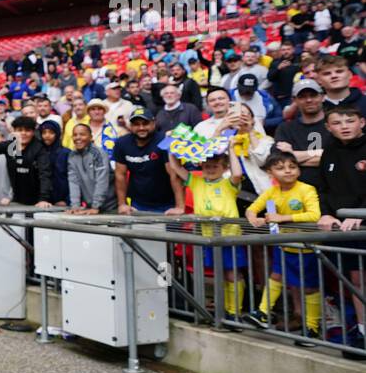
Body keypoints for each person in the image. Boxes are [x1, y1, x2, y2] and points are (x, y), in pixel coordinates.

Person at [244, 150, 322, 341]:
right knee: (276, 276)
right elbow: (252, 208)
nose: (288, 171)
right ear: (270, 174)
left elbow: (314, 215)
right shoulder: (271, 192)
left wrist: (282, 218)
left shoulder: (306, 189)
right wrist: (253, 217)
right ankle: (263, 313)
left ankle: (312, 327)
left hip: (306, 247)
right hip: (284, 245)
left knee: (310, 288)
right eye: (280, 168)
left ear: (299, 170)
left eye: (292, 167)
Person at [166, 143, 246, 317]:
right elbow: (176, 167)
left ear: (224, 167)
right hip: (208, 236)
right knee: (220, 274)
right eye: (207, 166)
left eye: (215, 166)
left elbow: (238, 173)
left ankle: (235, 312)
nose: (210, 169)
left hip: (230, 235)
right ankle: (224, 309)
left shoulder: (228, 184)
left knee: (232, 274)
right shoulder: (196, 181)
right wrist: (171, 147)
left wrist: (231, 149)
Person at [318, 105, 366, 358]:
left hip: (361, 224)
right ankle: (362, 331)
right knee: (356, 281)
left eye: (350, 120)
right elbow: (324, 188)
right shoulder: (330, 152)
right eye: (337, 122)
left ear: (362, 122)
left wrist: (359, 213)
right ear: (329, 127)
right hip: (344, 228)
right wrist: (326, 213)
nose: (344, 126)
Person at [112, 108, 183, 214]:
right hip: (136, 204)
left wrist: (179, 206)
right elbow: (120, 175)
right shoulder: (121, 143)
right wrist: (122, 204)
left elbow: (174, 174)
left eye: (145, 123)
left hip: (167, 204)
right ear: (131, 126)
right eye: (136, 124)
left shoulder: (165, 140)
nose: (141, 128)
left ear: (154, 123)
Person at [0, 115, 52, 207]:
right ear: (14, 131)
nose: (23, 133)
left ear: (33, 132)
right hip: (15, 199)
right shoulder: (12, 146)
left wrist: (43, 199)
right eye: (20, 130)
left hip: (36, 201)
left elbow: (45, 174)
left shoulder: (38, 149)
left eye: (27, 130)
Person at [67, 123, 115, 213]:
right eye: (75, 135)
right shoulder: (72, 156)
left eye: (82, 134)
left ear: (90, 137)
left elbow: (102, 180)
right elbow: (73, 182)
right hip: (90, 208)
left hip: (110, 206)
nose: (78, 138)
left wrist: (96, 206)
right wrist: (75, 206)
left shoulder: (99, 154)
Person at [36, 120, 68, 207]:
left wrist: (67, 200)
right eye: (44, 132)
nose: (47, 135)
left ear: (57, 134)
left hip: (62, 201)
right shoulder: (38, 152)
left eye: (51, 132)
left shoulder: (65, 153)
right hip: (42, 201)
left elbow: (73, 178)